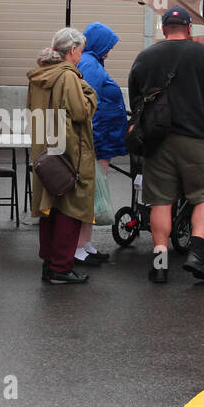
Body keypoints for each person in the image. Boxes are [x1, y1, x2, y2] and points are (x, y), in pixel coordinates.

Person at [127, 6, 204, 283]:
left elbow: (135, 100)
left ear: (163, 29)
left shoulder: (145, 57)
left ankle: (160, 264)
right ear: (189, 28)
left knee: (160, 201)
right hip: (198, 137)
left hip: (157, 142)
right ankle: (196, 254)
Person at [27, 27, 96, 284]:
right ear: (73, 50)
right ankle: (61, 267)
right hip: (70, 152)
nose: (82, 56)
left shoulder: (39, 74)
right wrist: (90, 94)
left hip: (45, 150)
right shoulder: (68, 77)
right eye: (81, 51)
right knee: (70, 207)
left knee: (50, 207)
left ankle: (49, 264)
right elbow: (80, 112)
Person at [74, 21, 126, 266]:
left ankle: (86, 244)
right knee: (90, 195)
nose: (110, 50)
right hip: (97, 140)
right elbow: (87, 104)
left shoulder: (90, 62)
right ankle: (79, 248)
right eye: (108, 45)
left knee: (92, 195)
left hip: (100, 138)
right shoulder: (90, 65)